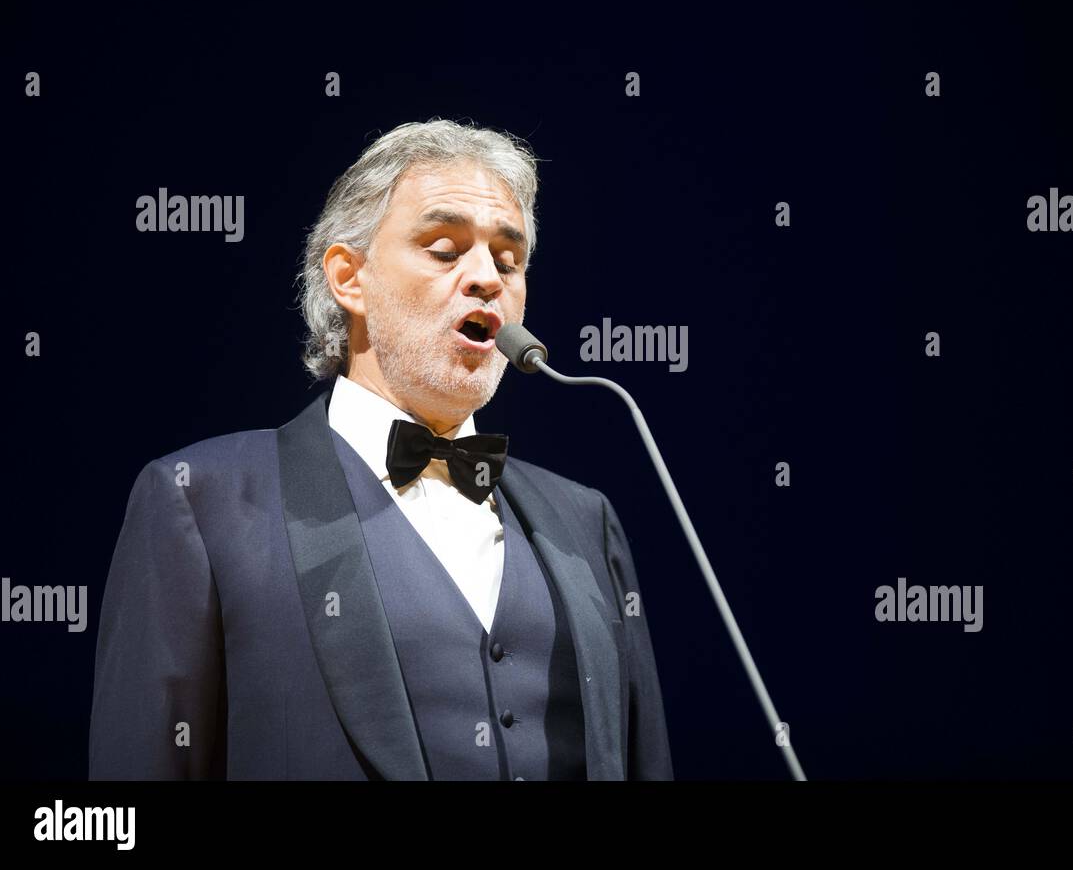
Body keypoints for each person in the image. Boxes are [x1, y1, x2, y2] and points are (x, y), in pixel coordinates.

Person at [88, 119, 673, 780]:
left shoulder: (584, 521)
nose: (487, 277)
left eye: (509, 261)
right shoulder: (204, 500)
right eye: (445, 249)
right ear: (350, 277)